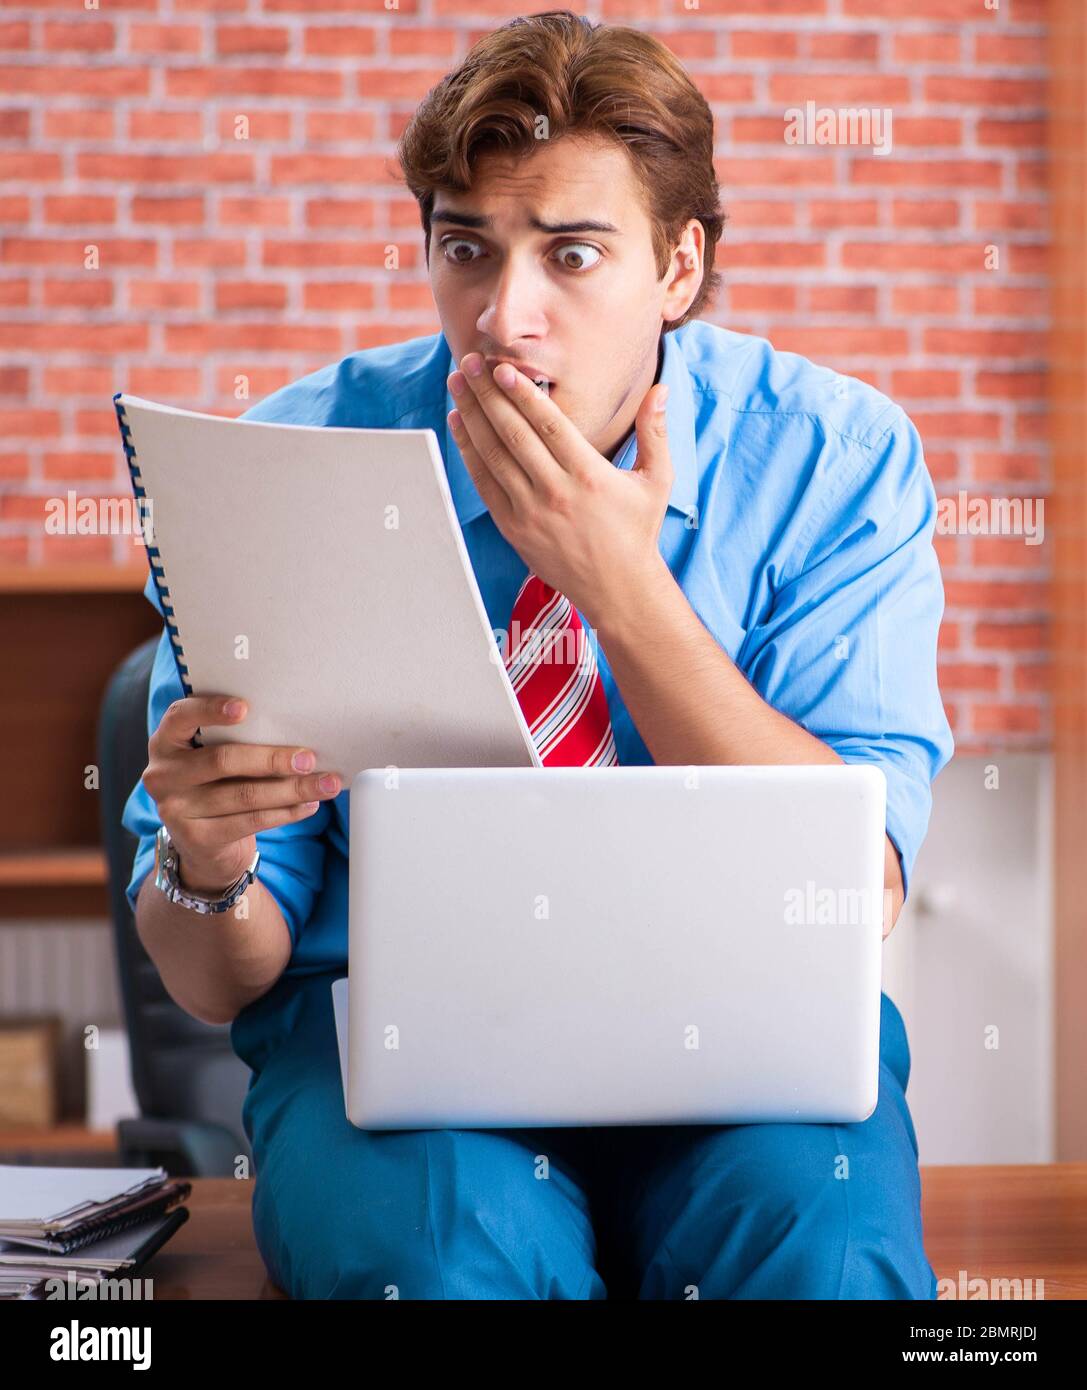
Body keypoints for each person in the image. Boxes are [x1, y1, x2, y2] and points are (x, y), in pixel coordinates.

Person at [123, 11, 954, 1299]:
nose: (506, 318)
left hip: (746, 1046)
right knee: (435, 1260)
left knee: (824, 1255)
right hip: (396, 1060)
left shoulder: (835, 464)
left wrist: (622, 591)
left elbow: (857, 895)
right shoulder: (297, 465)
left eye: (572, 255)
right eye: (468, 251)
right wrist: (209, 860)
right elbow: (218, 979)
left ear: (679, 268)